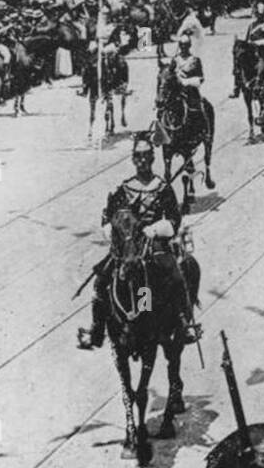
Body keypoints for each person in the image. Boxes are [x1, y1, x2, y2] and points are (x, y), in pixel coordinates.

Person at [78, 136, 197, 350]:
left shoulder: (163, 188)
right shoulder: (122, 189)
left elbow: (173, 219)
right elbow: (108, 217)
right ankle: (96, 331)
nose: (142, 160)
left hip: (155, 245)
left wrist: (155, 229)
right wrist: (114, 232)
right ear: (133, 159)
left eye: (146, 156)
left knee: (175, 274)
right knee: (101, 280)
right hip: (128, 247)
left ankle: (183, 321)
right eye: (138, 156)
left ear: (152, 158)